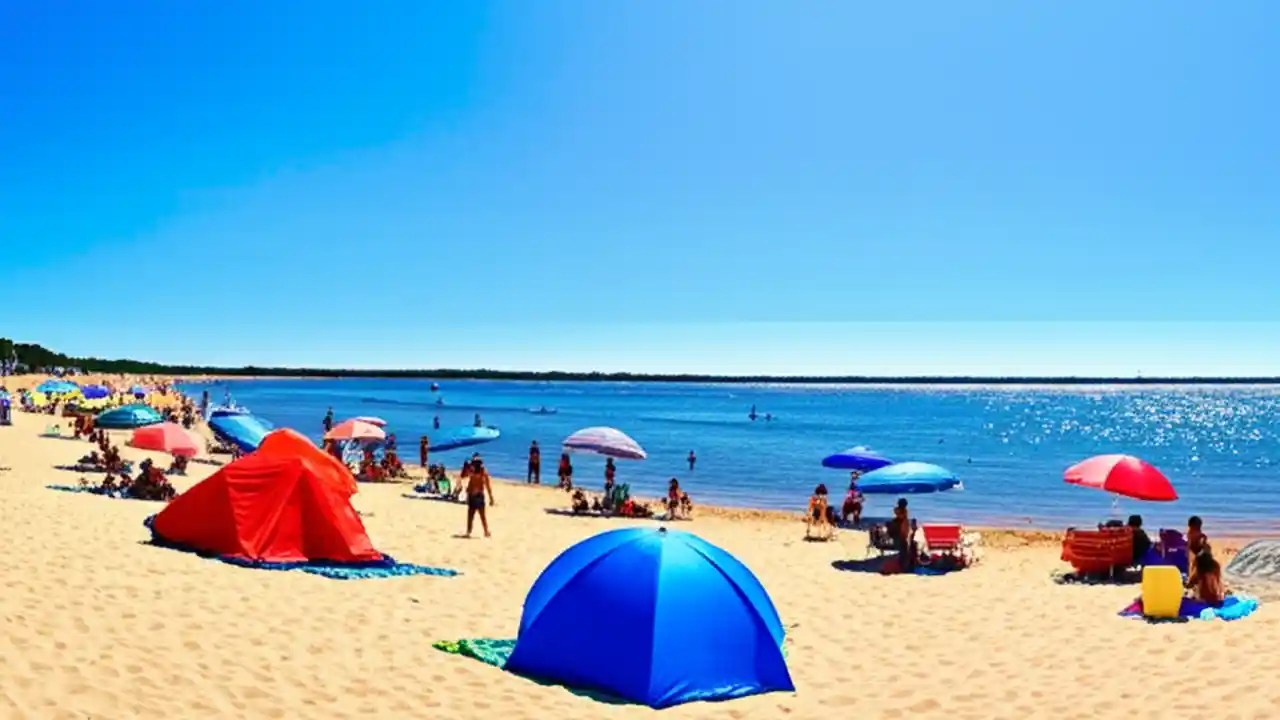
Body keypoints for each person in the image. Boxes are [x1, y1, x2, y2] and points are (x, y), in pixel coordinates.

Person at [462, 457, 495, 538]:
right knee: (479, 515)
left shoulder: (474, 472)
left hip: (474, 495)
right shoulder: (480, 472)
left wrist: (465, 467)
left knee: (472, 514)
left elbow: (464, 476)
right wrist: (491, 497)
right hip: (477, 495)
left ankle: (470, 531)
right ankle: (485, 531)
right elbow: (487, 485)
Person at [890, 498, 913, 569]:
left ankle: (904, 563)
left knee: (905, 548)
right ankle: (904, 564)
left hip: (900, 536)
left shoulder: (899, 515)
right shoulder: (901, 516)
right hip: (900, 537)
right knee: (904, 549)